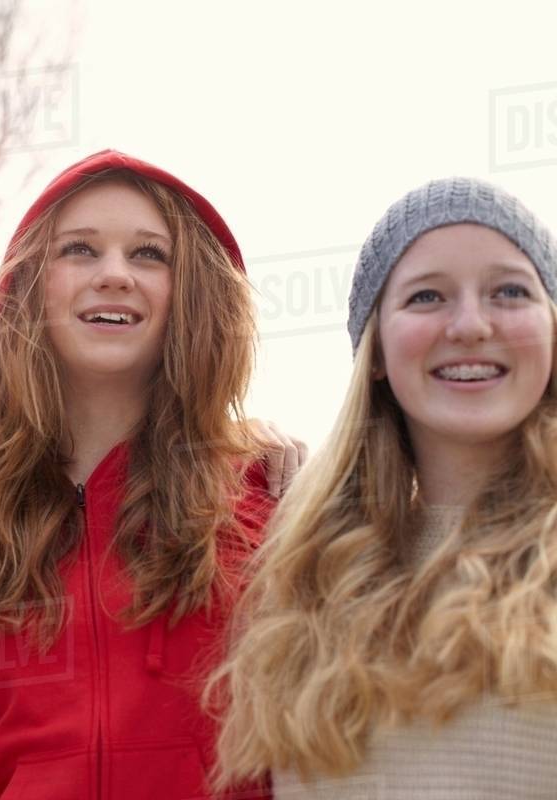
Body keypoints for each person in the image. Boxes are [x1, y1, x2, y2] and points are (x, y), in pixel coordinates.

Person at [0, 150, 293, 800]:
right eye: (81, 251)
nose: (114, 274)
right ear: (31, 285)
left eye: (149, 254)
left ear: (191, 291)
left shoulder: (269, 503)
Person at [212, 177, 557, 799]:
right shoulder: (305, 577)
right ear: (375, 350)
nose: (472, 324)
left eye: (510, 290)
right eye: (427, 296)